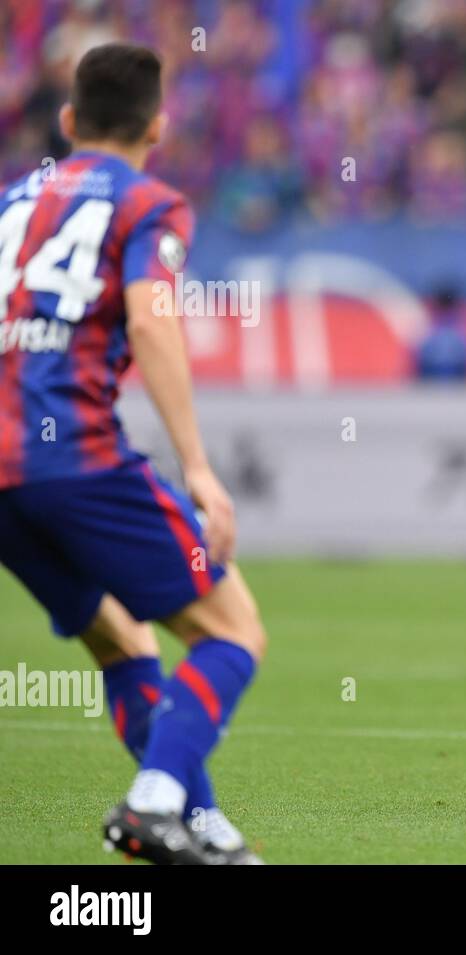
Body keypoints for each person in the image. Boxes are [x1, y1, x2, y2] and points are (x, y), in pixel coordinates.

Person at [0, 43, 267, 864]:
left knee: (124, 640)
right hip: (73, 458)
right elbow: (153, 320)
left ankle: (204, 828)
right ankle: (154, 804)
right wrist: (198, 469)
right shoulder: (150, 202)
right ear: (158, 125)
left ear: (69, 120)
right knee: (232, 631)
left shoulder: (11, 202)